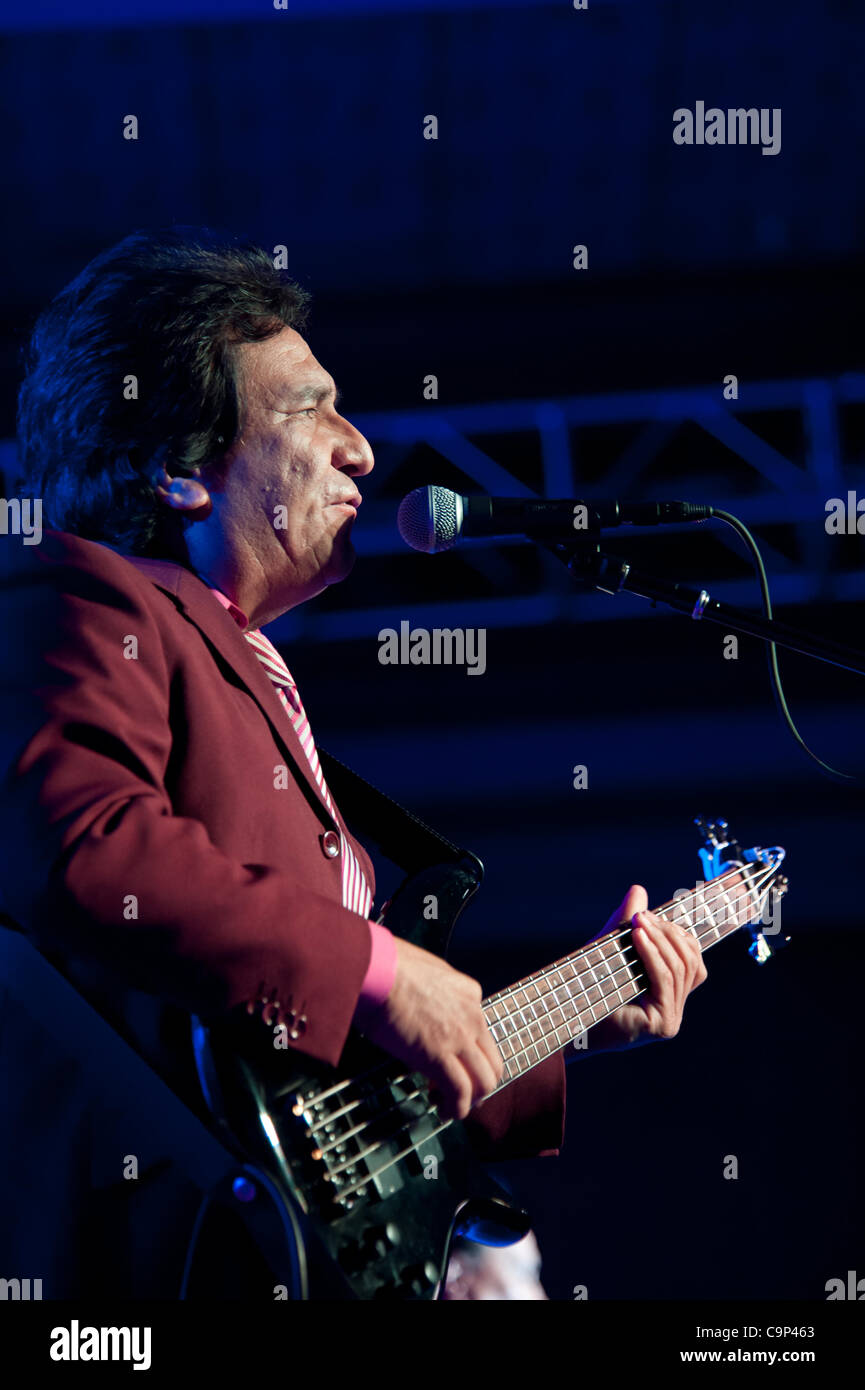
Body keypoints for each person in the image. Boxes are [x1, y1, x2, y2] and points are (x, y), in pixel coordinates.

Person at [0, 228, 707, 1299]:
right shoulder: (90, 596)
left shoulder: (248, 670)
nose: (361, 447)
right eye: (308, 407)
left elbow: (334, 1088)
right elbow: (84, 849)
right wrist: (377, 970)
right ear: (177, 470)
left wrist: (575, 1020)